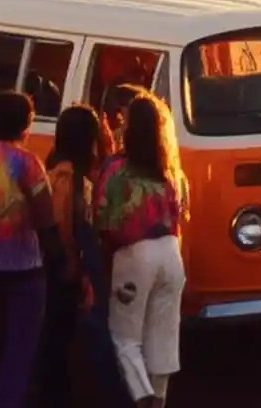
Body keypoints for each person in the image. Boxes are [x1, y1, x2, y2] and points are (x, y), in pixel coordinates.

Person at [0, 90, 62, 408]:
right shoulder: (27, 162)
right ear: (26, 124)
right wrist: (60, 260)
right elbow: (45, 218)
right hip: (23, 268)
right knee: (19, 350)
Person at [94, 94, 189, 408]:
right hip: (171, 255)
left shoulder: (116, 168)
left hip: (135, 256)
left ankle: (142, 396)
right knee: (163, 338)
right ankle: (159, 400)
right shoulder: (171, 171)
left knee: (125, 336)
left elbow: (103, 217)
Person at [39, 105, 109, 408]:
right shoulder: (71, 178)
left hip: (56, 268)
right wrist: (78, 271)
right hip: (69, 270)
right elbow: (69, 229)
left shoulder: (54, 169)